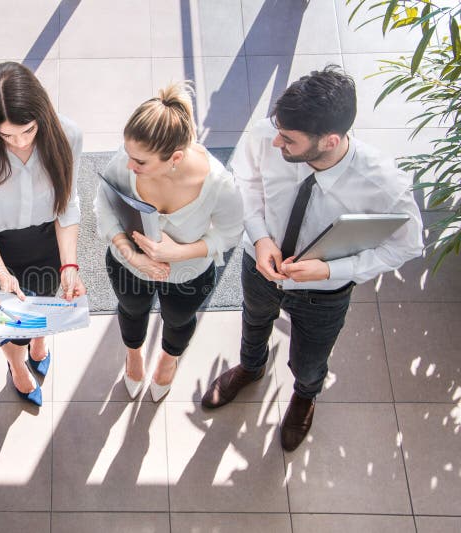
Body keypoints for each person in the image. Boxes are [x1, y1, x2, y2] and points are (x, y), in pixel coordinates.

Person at [201, 66, 424, 451]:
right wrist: (260, 239)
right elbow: (247, 183)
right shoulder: (267, 134)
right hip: (261, 268)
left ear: (330, 140)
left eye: (288, 140)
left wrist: (330, 270)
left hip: (325, 293)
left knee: (309, 359)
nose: (276, 144)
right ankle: (250, 369)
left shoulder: (382, 183)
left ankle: (305, 395)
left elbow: (407, 245)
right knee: (253, 323)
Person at [94, 82, 245, 402]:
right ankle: (133, 355)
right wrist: (130, 254)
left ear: (175, 157)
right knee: (131, 309)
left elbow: (231, 233)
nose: (128, 165)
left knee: (179, 318)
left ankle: (168, 359)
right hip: (128, 264)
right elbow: (103, 205)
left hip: (189, 273)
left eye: (141, 163)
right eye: (129, 154)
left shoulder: (217, 183)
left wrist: (180, 252)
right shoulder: (128, 157)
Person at [0, 62, 86, 407]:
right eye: (7, 136)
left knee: (45, 300)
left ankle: (40, 342)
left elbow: (68, 204)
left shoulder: (68, 134)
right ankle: (17, 366)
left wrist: (69, 263)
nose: (19, 143)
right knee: (12, 323)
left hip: (47, 240)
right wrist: (0, 272)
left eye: (28, 131)